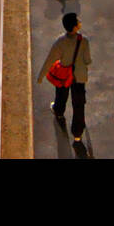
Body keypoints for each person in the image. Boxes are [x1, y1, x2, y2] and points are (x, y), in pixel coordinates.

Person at [38, 12, 91, 144]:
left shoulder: (60, 42)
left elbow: (50, 59)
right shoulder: (84, 41)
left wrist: (41, 76)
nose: (80, 22)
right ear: (75, 27)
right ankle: (77, 134)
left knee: (61, 94)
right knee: (78, 105)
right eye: (77, 21)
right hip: (78, 77)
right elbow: (88, 60)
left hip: (64, 74)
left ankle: (59, 111)